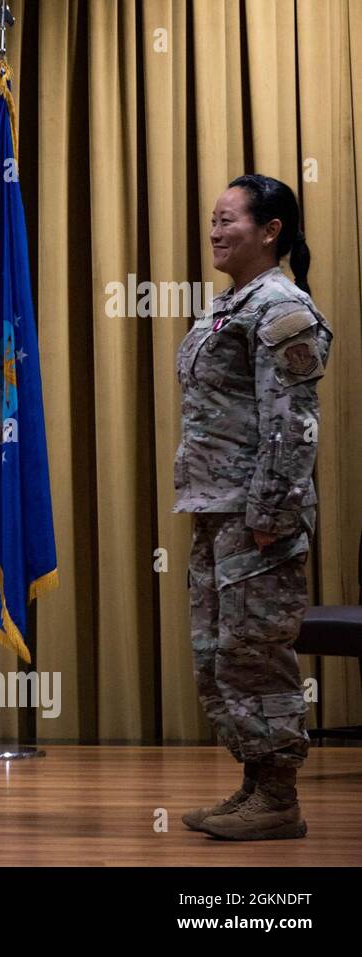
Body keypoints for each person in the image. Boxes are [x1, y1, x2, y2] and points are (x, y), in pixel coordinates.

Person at [175, 173, 331, 841]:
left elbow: (291, 423)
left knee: (258, 653)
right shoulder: (227, 305)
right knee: (222, 654)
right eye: (211, 220)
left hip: (257, 516)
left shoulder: (281, 308)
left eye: (228, 220)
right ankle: (253, 784)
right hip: (218, 511)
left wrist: (269, 514)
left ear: (271, 230)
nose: (214, 231)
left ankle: (279, 796)